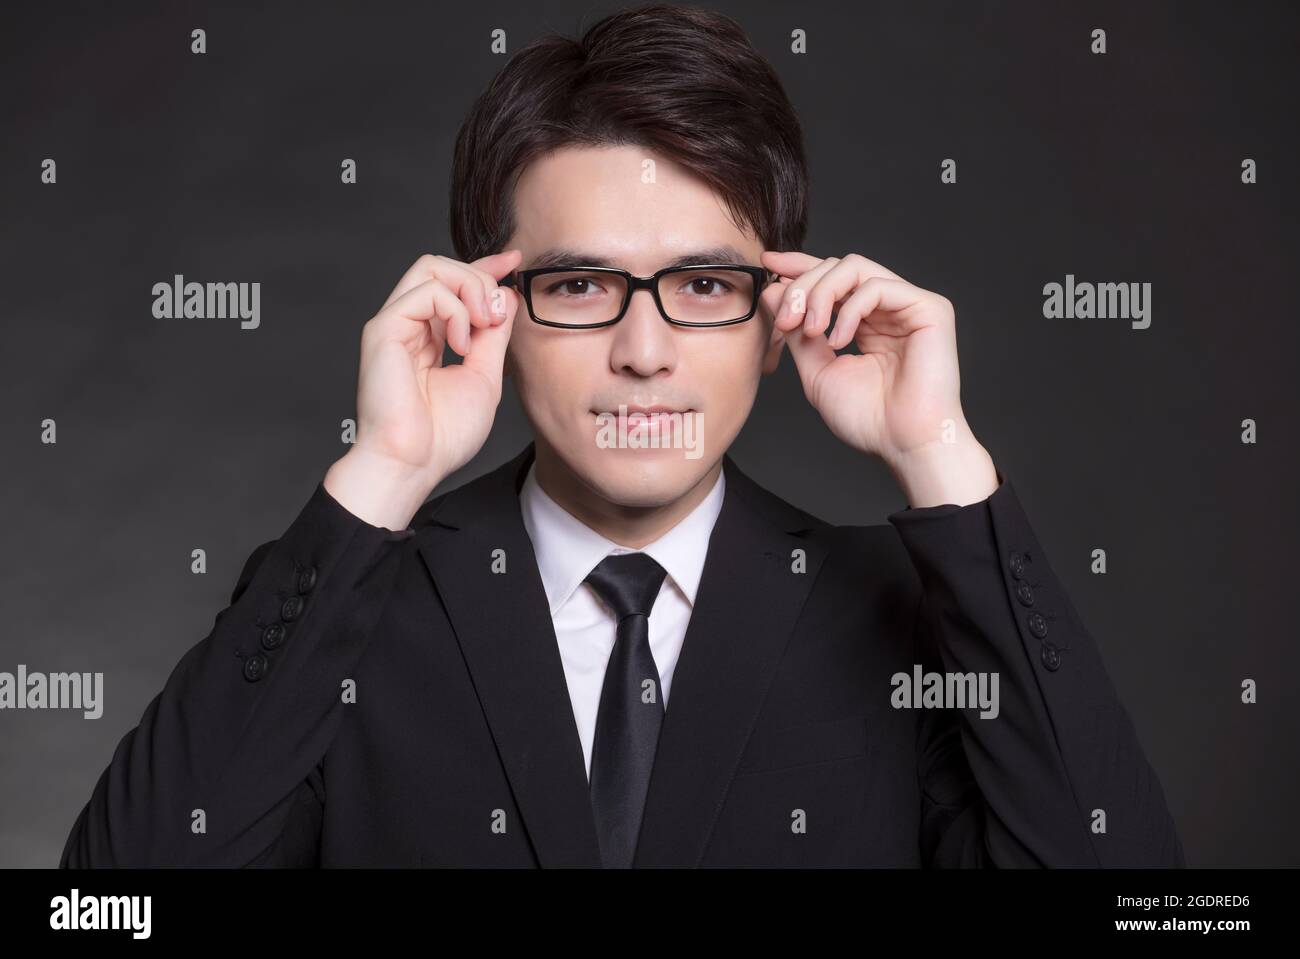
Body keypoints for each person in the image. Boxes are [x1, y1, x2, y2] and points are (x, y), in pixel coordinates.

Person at [60, 3, 1182, 868]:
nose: (644, 349)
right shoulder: (350, 604)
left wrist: (940, 452)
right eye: (582, 283)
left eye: (701, 283)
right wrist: (382, 472)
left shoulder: (903, 614)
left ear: (774, 317)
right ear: (487, 306)